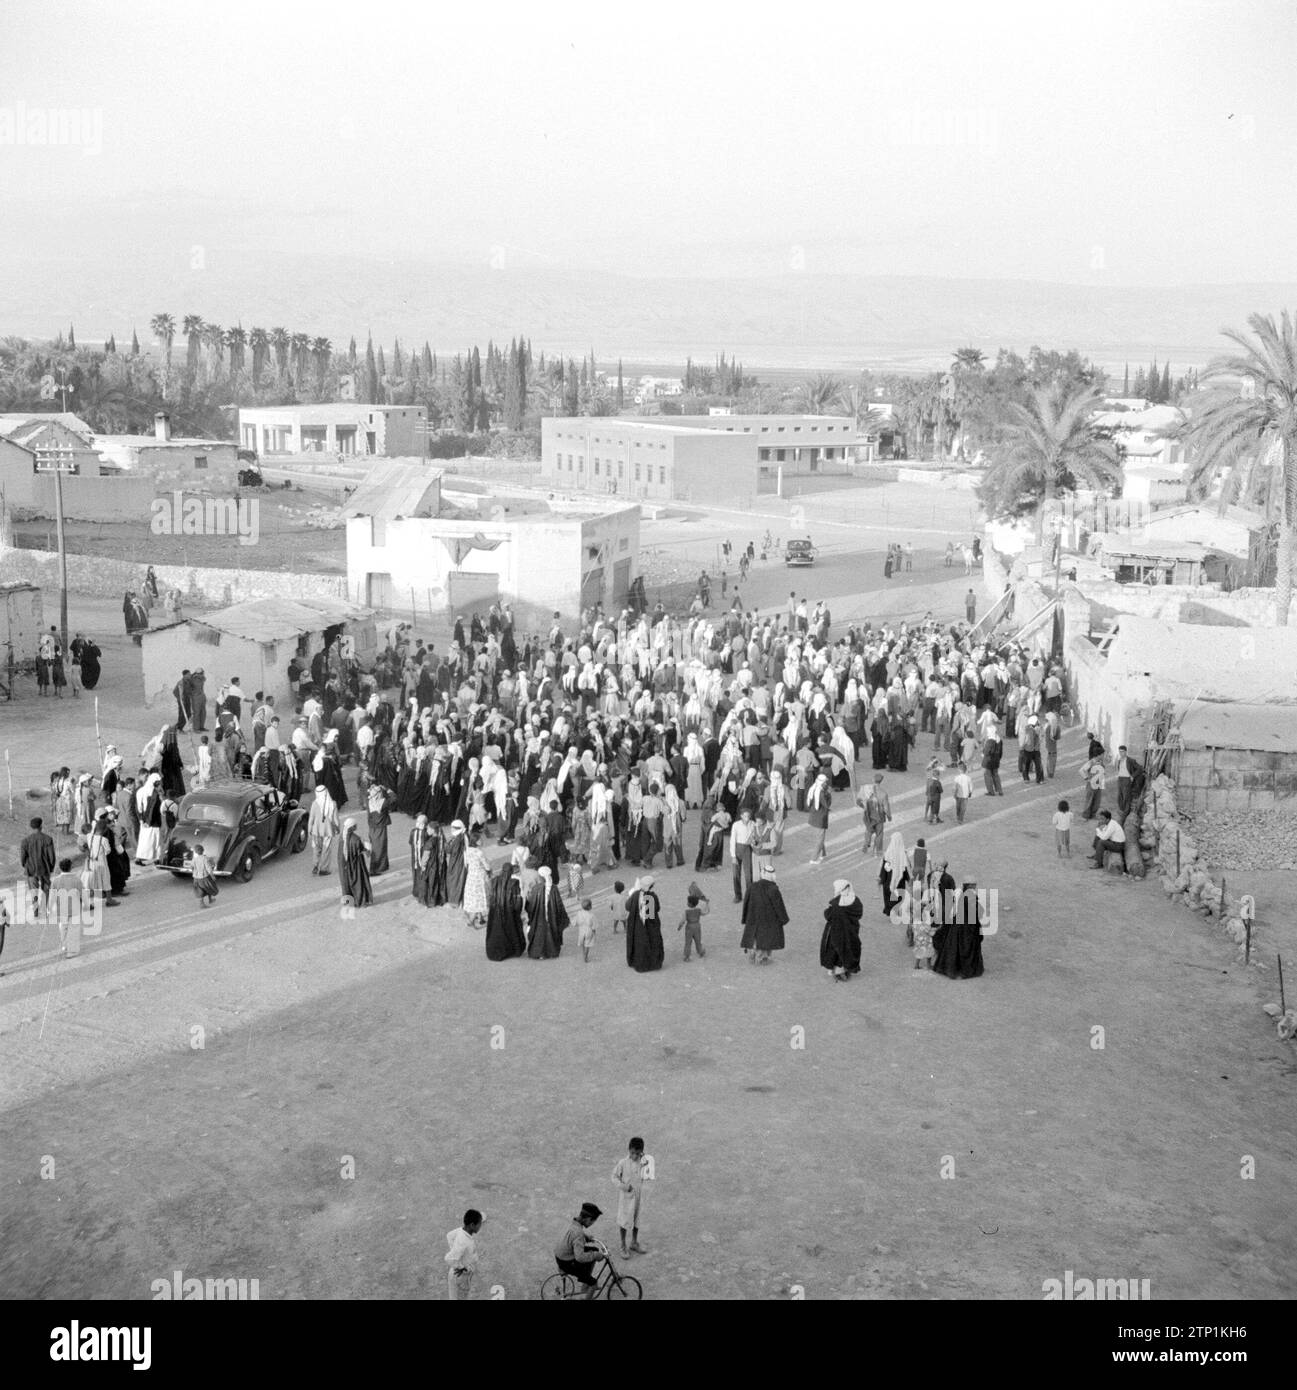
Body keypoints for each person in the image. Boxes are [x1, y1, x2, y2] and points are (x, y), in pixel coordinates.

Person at [933, 882, 985, 979]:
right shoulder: (971, 897)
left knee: (954, 947)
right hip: (968, 926)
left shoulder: (960, 894)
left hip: (958, 924)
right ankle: (965, 970)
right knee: (966, 947)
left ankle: (953, 968)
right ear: (970, 886)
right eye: (974, 885)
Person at [740, 861, 788, 965]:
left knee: (754, 939)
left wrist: (745, 917)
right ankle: (761, 959)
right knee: (766, 940)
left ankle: (752, 956)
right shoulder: (773, 889)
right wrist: (784, 919)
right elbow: (779, 906)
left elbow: (746, 902)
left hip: (753, 917)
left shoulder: (752, 886)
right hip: (768, 920)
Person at [485, 847, 529, 960]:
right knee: (512, 930)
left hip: (496, 910)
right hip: (509, 911)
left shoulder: (494, 881)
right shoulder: (514, 883)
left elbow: (490, 896)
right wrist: (518, 913)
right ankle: (513, 950)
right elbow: (517, 900)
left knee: (497, 930)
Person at [554, 1203, 605, 1300]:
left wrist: (585, 1237)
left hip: (560, 1256)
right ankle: (589, 1285)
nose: (591, 1224)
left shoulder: (574, 1223)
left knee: (593, 1249)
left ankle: (585, 1284)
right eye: (592, 1222)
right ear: (588, 1219)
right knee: (594, 1284)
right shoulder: (578, 1233)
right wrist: (595, 1255)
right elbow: (580, 1257)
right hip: (567, 1262)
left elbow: (573, 1235)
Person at [820, 879, 863, 982]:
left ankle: (838, 970)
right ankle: (846, 968)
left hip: (836, 931)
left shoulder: (836, 904)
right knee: (850, 948)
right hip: (851, 931)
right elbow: (859, 914)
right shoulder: (855, 900)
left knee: (835, 949)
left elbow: (828, 915)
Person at [612, 1138, 648, 1257]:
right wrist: (624, 1186)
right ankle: (623, 1245)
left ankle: (634, 1242)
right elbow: (614, 1177)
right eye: (632, 1153)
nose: (634, 1156)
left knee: (636, 1219)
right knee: (624, 1221)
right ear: (629, 1150)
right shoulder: (623, 1163)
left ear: (642, 1152)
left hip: (638, 1197)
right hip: (626, 1198)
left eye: (637, 1154)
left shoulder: (643, 1162)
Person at [525, 865, 569, 959]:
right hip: (551, 916)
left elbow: (531, 904)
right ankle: (551, 952)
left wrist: (530, 915)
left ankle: (540, 953)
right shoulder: (553, 888)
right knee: (551, 933)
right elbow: (559, 903)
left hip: (539, 916)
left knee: (539, 935)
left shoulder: (536, 888)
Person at [625, 876, 664, 972]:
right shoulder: (652, 896)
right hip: (651, 924)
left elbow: (628, 907)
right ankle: (653, 963)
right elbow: (656, 909)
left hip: (637, 924)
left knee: (639, 943)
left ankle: (640, 963)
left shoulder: (635, 895)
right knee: (653, 941)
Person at [20, 817, 56, 919]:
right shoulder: (48, 839)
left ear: (31, 827)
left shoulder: (25, 841)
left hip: (30, 869)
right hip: (44, 868)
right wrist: (51, 867)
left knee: (33, 890)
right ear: (41, 826)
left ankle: (36, 911)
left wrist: (25, 865)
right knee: (46, 889)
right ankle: (44, 909)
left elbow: (22, 858)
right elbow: (52, 857)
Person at [445, 1210, 484, 1301]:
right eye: (479, 1224)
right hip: (460, 1277)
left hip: (461, 1275)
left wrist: (456, 1252)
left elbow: (449, 1236)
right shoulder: (463, 1241)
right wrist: (461, 1267)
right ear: (472, 1225)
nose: (480, 1226)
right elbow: (449, 1259)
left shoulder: (462, 1230)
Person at [338, 818, 373, 908]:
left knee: (346, 883)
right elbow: (362, 850)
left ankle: (348, 902)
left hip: (344, 865)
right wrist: (367, 848)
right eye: (355, 826)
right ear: (352, 827)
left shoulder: (342, 837)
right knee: (358, 881)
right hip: (356, 865)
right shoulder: (355, 839)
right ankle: (361, 901)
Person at [308, 784, 339, 875]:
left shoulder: (314, 804)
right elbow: (335, 820)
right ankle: (324, 869)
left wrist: (309, 829)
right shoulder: (332, 804)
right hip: (328, 831)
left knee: (316, 848)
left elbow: (311, 819)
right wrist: (338, 829)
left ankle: (315, 865)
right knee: (326, 849)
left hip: (316, 831)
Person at [858, 773, 891, 856]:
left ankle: (865, 845)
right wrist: (889, 816)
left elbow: (858, 801)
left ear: (873, 779)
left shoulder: (867, 790)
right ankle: (878, 851)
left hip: (869, 815)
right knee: (879, 833)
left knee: (868, 831)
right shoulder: (884, 793)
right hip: (879, 816)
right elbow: (886, 807)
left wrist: (864, 807)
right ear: (881, 781)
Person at [805, 772, 831, 864]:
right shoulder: (822, 793)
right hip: (820, 818)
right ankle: (814, 858)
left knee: (820, 837)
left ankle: (823, 854)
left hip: (814, 817)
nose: (826, 784)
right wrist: (829, 794)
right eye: (825, 782)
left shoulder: (813, 788)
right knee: (820, 839)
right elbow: (827, 805)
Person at [679, 887, 709, 961]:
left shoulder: (686, 911)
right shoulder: (698, 910)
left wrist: (680, 926)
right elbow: (705, 913)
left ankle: (686, 956)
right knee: (698, 940)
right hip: (697, 926)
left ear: (690, 903)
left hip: (689, 927)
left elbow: (683, 920)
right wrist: (707, 905)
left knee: (688, 942)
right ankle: (700, 951)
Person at [190, 843, 219, 908]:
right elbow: (208, 868)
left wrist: (194, 873)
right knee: (209, 887)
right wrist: (212, 876)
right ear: (203, 850)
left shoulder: (194, 859)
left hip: (196, 878)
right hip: (204, 877)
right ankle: (209, 900)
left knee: (200, 890)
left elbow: (191, 867)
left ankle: (202, 903)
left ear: (195, 852)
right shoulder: (205, 858)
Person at [1081, 752, 1105, 820]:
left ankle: (1093, 814)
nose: (1103, 756)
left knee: (1097, 800)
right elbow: (1082, 770)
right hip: (1091, 784)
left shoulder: (1101, 762)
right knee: (1089, 800)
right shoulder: (1091, 762)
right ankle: (1085, 815)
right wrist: (1087, 778)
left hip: (1098, 784)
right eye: (1102, 754)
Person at [573, 897, 596, 962]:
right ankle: (586, 956)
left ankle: (583, 954)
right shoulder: (591, 915)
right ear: (590, 907)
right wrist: (594, 932)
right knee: (587, 944)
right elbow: (594, 926)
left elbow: (574, 922)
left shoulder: (579, 913)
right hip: (589, 931)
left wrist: (575, 924)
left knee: (582, 943)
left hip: (581, 931)